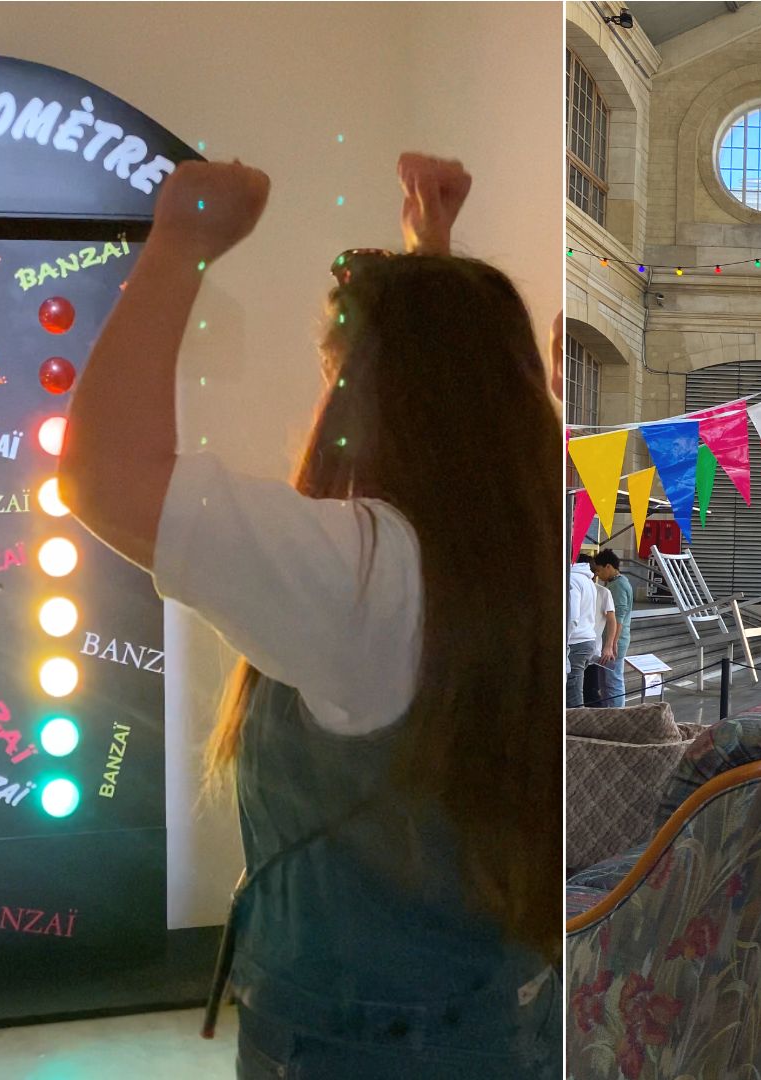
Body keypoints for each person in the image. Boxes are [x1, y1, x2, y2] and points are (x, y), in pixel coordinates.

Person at [59, 154, 559, 1076]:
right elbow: (459, 386)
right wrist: (429, 259)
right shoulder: (503, 552)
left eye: (341, 370)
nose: (332, 396)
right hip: (496, 1019)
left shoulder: (364, 578)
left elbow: (104, 476)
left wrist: (184, 245)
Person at [566, 554, 613, 708]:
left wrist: (564, 641)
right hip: (587, 641)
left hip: (575, 642)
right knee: (580, 691)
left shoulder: (573, 579)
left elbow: (572, 617)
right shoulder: (586, 580)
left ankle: (576, 730)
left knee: (573, 696)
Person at [590, 550, 633, 705]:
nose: (597, 575)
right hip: (613, 641)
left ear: (608, 566)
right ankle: (609, 715)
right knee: (606, 683)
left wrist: (612, 643)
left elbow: (618, 618)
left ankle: (616, 717)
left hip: (615, 642)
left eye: (599, 570)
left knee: (613, 683)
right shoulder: (619, 582)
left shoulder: (618, 586)